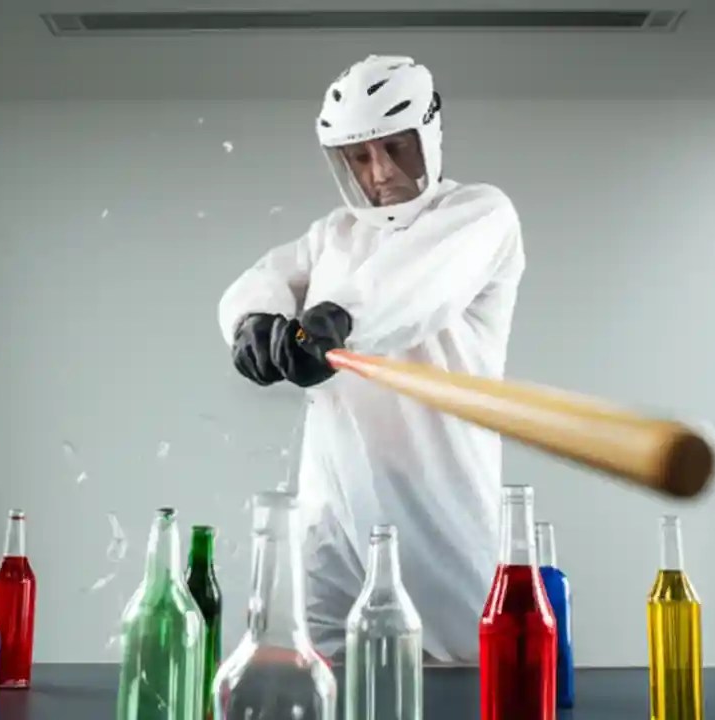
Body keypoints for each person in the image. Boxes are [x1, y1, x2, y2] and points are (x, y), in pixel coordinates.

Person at [217, 54, 526, 662]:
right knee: (313, 676)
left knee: (457, 679)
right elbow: (264, 278)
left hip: (438, 501)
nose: (380, 172)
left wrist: (337, 323)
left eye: (395, 148)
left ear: (429, 137)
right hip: (330, 505)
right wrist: (252, 322)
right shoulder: (335, 233)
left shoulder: (480, 214)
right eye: (360, 156)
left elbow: (416, 285)